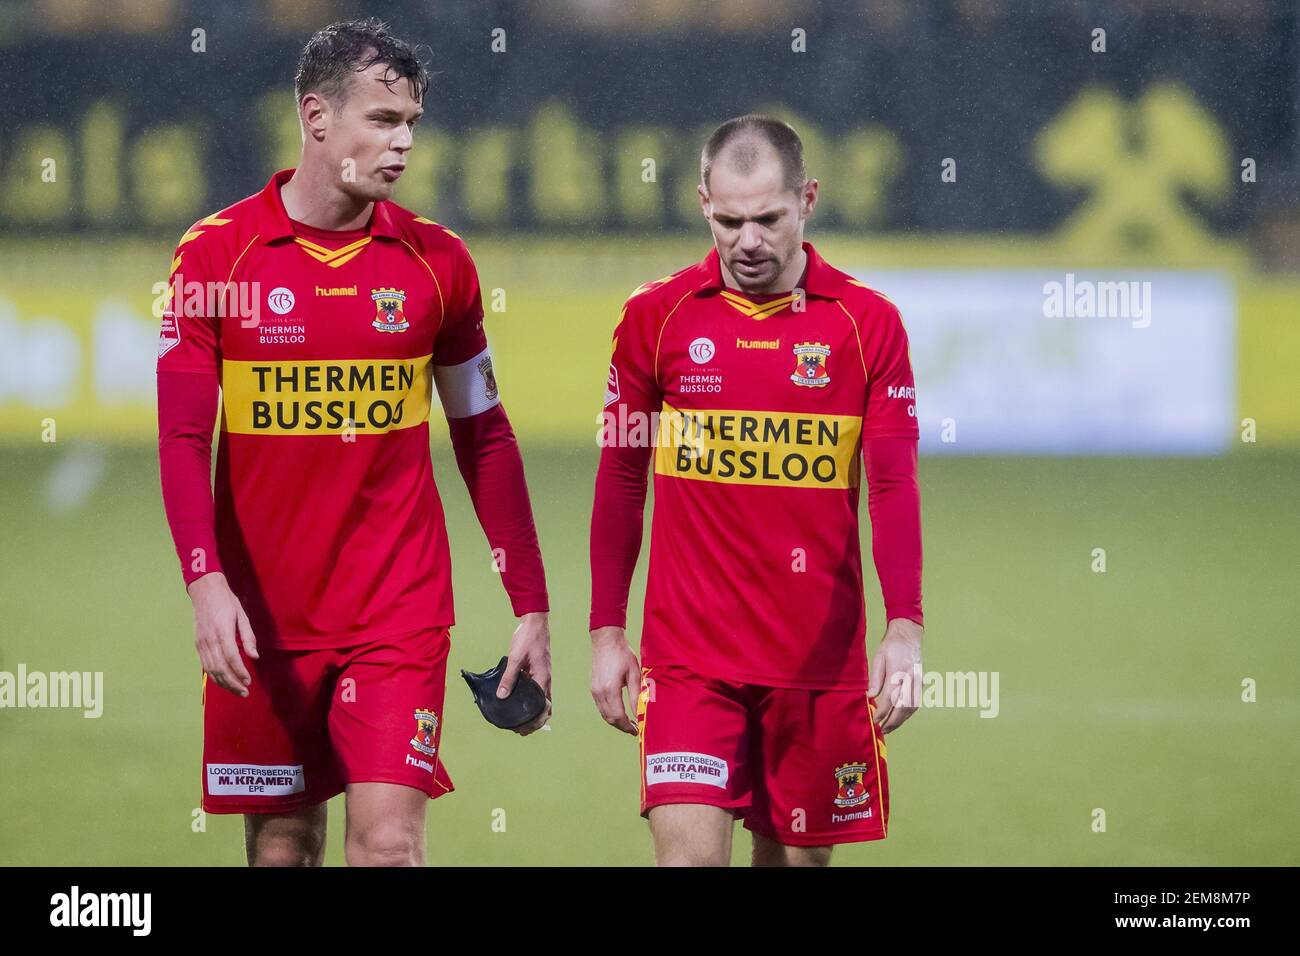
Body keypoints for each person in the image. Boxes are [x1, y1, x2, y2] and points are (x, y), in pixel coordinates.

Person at [156, 19, 550, 866]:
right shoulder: (216, 257)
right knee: (284, 847)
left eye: (411, 122)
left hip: (397, 608)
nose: (403, 142)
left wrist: (530, 602)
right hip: (264, 614)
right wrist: (206, 583)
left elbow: (483, 434)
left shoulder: (438, 264)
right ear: (316, 117)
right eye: (382, 119)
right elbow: (184, 436)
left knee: (387, 843)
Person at [589, 115, 924, 866]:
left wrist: (904, 629)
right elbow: (620, 476)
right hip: (687, 663)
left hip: (817, 665)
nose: (748, 241)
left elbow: (893, 485)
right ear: (702, 201)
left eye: (769, 218)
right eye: (730, 219)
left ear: (807, 199)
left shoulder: (867, 325)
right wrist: (607, 630)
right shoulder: (657, 316)